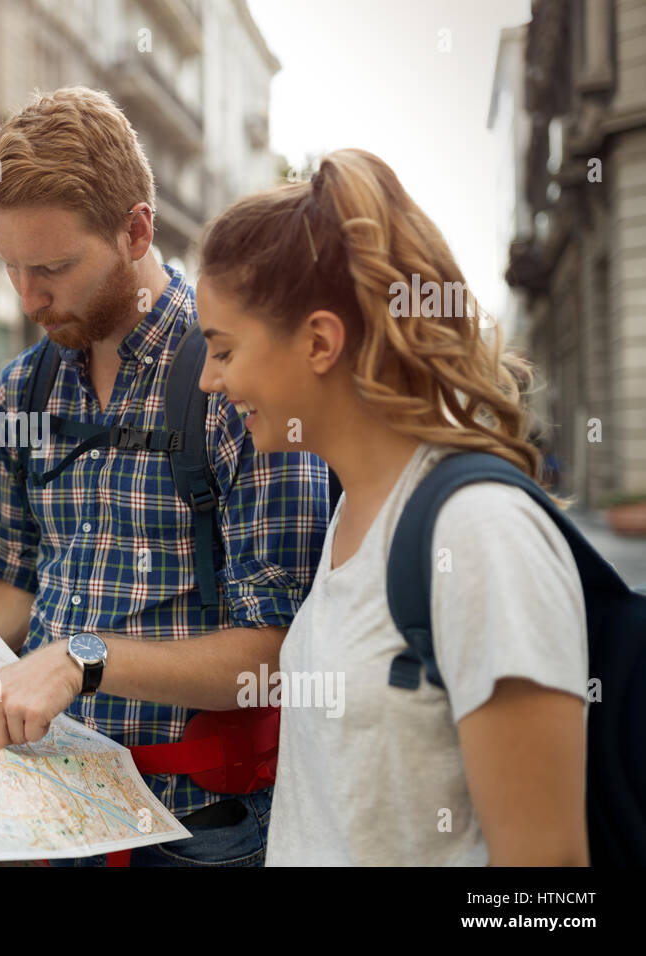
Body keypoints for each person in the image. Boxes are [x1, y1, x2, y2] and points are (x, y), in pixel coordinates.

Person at [0, 88, 329, 867]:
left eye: (52, 267)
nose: (28, 297)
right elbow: (19, 590)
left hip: (197, 832)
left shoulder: (237, 380)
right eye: (10, 267)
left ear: (136, 229)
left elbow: (279, 655)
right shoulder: (26, 388)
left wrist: (83, 657)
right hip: (46, 817)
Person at [197, 148, 588, 865]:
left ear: (319, 341)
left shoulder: (480, 537)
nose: (206, 380)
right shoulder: (350, 515)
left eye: (223, 349)